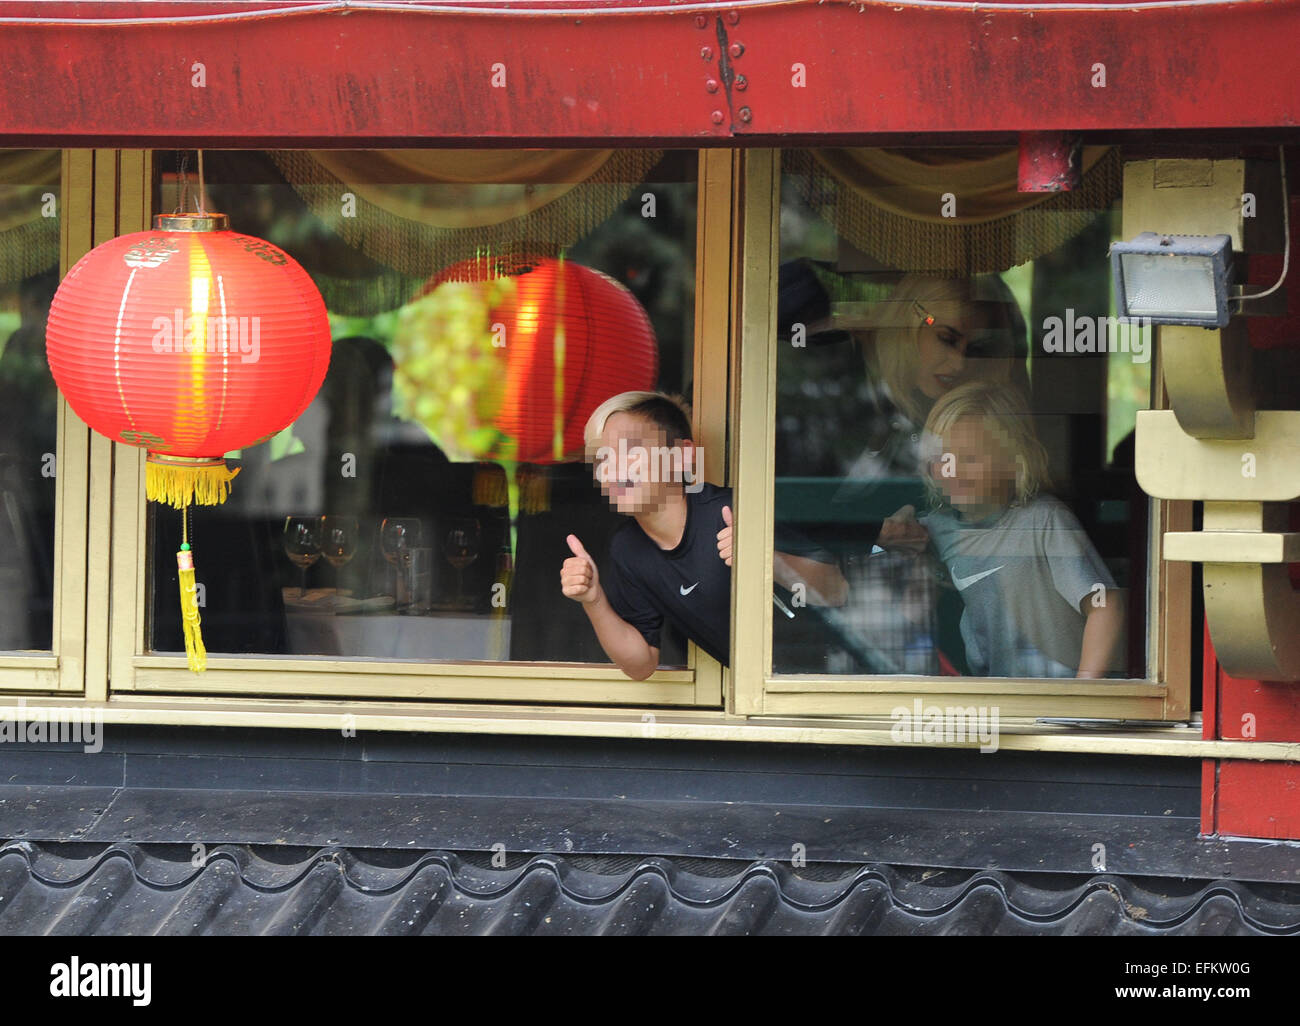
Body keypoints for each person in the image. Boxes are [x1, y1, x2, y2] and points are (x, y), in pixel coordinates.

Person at [560, 391, 846, 679]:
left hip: (831, 679)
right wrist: (594, 600)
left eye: (630, 451)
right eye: (602, 459)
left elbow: (835, 591)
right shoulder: (627, 547)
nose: (612, 469)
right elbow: (641, 663)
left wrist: (763, 558)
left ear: (682, 456)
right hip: (756, 696)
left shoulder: (734, 509)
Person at [888, 380, 1124, 679]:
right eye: (941, 459)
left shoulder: (1043, 519)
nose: (953, 470)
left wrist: (1084, 695)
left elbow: (1107, 606)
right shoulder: (937, 527)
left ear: (1012, 459)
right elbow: (881, 552)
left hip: (1057, 698)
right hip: (997, 698)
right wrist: (895, 524)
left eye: (971, 459)